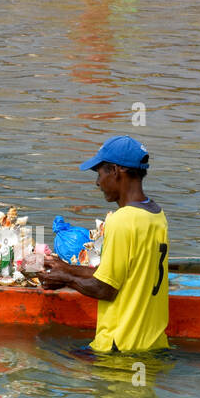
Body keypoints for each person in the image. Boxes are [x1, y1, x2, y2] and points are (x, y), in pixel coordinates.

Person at [41, 135, 169, 352]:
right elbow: (119, 274)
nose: (98, 182)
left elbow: (105, 289)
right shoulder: (156, 215)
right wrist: (66, 268)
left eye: (99, 173)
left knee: (44, 352)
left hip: (119, 346)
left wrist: (64, 278)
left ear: (115, 171)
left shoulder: (121, 221)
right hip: (151, 343)